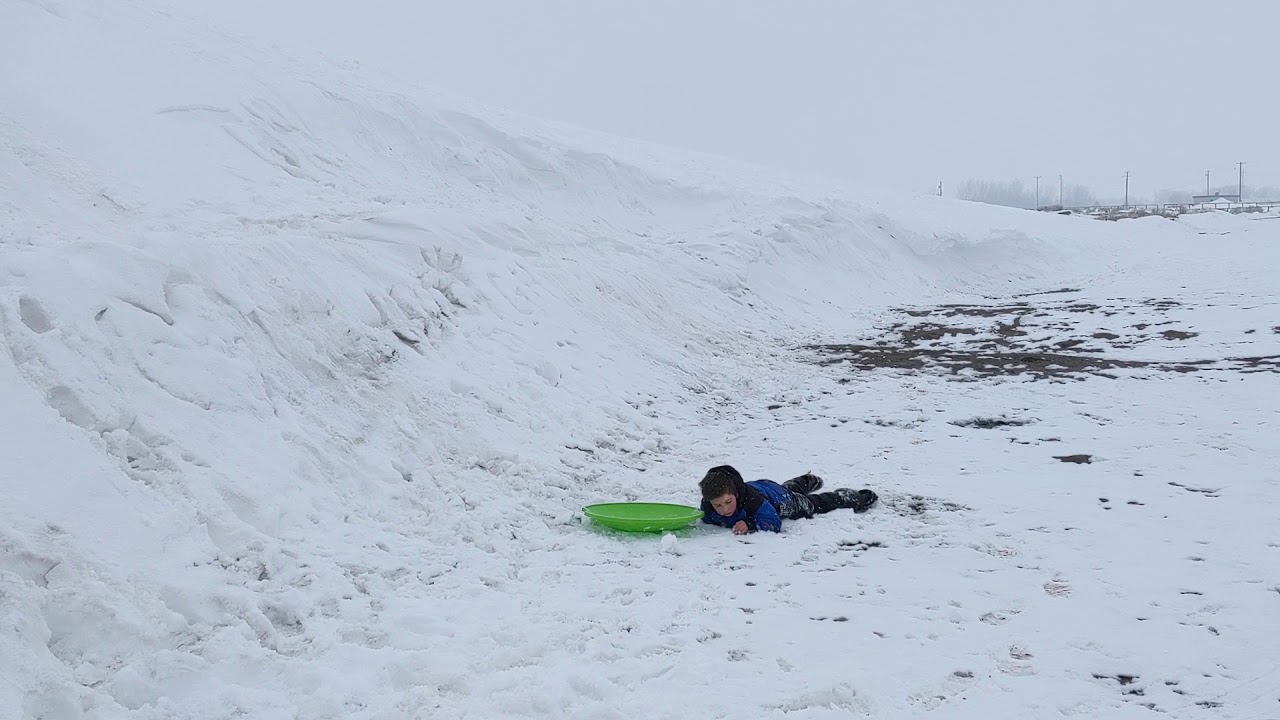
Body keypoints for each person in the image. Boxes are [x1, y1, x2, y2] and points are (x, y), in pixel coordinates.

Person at [699, 464, 877, 534]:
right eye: (718, 505)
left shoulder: (752, 500)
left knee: (813, 505)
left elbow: (773, 522)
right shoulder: (708, 503)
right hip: (770, 488)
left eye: (728, 502)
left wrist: (750, 524)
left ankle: (850, 497)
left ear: (736, 493)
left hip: (782, 500)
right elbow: (706, 517)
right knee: (786, 490)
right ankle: (804, 481)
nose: (724, 509)